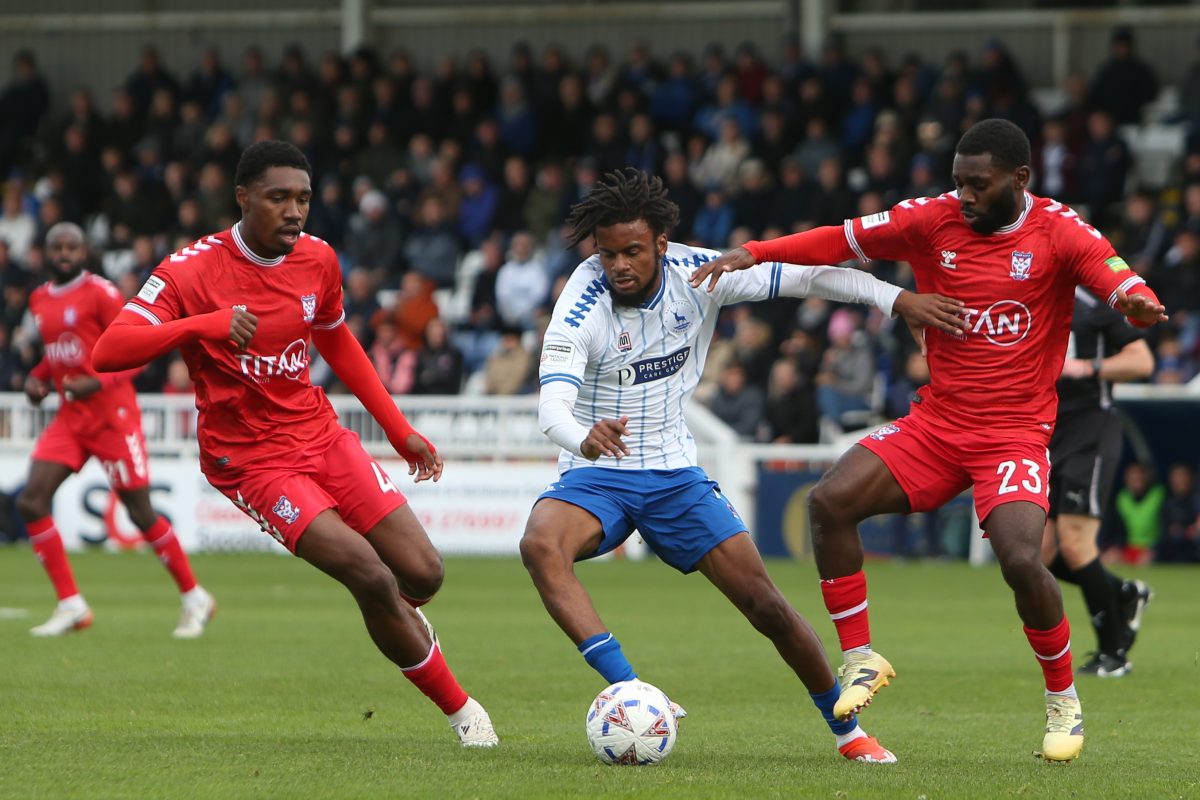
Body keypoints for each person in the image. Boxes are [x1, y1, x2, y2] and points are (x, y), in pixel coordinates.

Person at [691, 119, 1167, 763]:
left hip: (1014, 436)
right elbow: (842, 239)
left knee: (1024, 561)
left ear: (1019, 180)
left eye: (979, 184)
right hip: (938, 424)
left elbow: (1112, 273)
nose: (965, 195)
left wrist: (1136, 300)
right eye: (958, 182)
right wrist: (759, 250)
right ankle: (861, 657)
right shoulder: (929, 219)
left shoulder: (1058, 228)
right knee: (831, 500)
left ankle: (1063, 700)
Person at [521, 168, 968, 764]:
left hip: (674, 474)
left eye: (632, 250)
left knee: (767, 606)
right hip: (597, 470)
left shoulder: (701, 275)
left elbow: (809, 276)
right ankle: (629, 688)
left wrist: (896, 298)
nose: (618, 265)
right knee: (540, 544)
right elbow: (550, 404)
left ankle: (848, 732)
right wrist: (583, 437)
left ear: (661, 243)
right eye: (607, 254)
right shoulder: (582, 302)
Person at [92, 140, 498, 748]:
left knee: (422, 572)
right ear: (243, 198)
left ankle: (396, 620)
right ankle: (467, 716)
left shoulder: (318, 260)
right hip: (250, 459)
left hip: (319, 433)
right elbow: (108, 352)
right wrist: (204, 325)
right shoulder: (189, 270)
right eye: (278, 197)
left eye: (303, 198)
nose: (294, 211)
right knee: (369, 574)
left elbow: (337, 342)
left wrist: (397, 428)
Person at [19, 223, 215, 638]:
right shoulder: (39, 299)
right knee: (32, 501)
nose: (65, 253)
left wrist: (97, 381)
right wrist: (37, 379)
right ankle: (71, 604)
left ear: (86, 251)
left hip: (113, 417)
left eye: (73, 246)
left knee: (140, 512)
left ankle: (194, 595)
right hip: (72, 420)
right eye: (57, 247)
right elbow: (57, 357)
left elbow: (137, 351)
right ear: (46, 252)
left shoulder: (102, 293)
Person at [1042, 286, 1155, 678]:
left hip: (1090, 430)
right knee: (1040, 555)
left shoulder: (1094, 303)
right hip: (1046, 433)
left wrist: (1089, 367)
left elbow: (1142, 361)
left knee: (1076, 543)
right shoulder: (1027, 293)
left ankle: (1114, 654)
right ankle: (1124, 593)